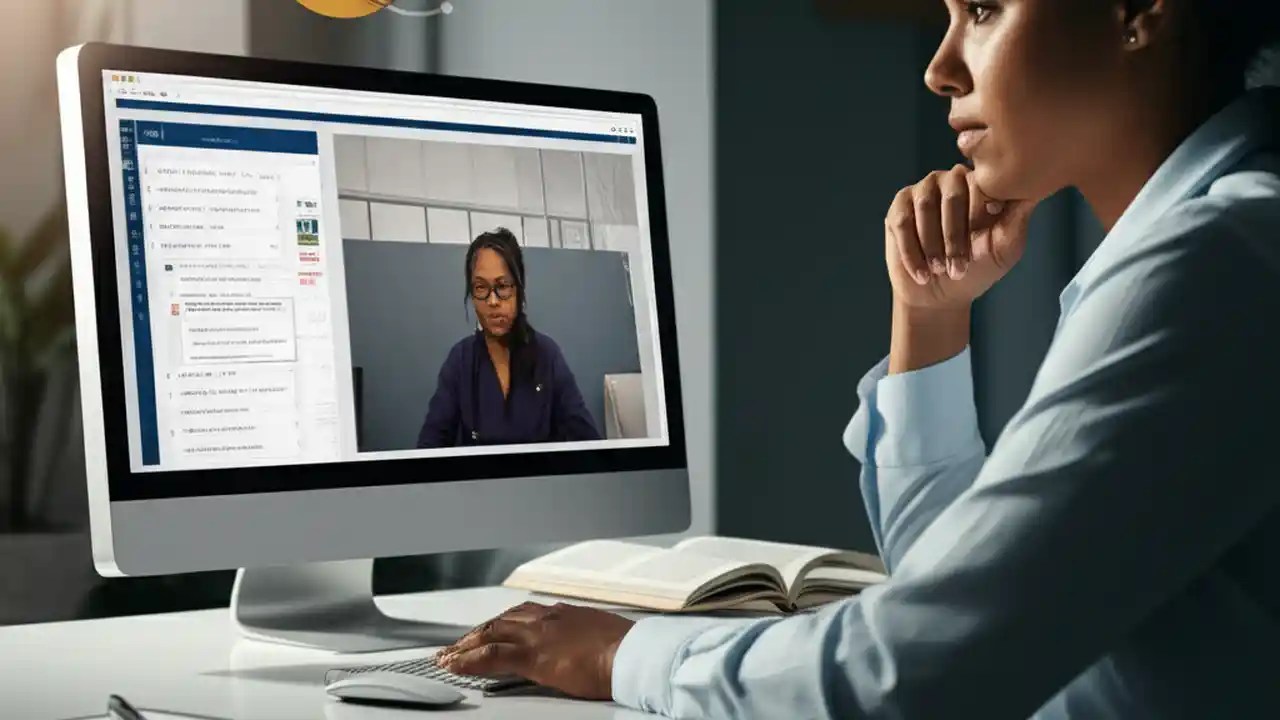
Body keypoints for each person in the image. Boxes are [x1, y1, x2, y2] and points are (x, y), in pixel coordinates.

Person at [436, 2, 1280, 718]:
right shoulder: (1208, 247)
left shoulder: (1216, 263)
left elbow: (914, 671)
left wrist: (620, 655)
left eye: (984, 11)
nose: (940, 70)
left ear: (1137, 11)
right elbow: (962, 599)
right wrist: (929, 315)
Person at [416, 228, 601, 448]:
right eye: (481, 287)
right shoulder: (461, 360)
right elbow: (430, 446)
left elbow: (588, 442)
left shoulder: (546, 355)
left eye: (502, 286)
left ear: (519, 289)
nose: (492, 301)